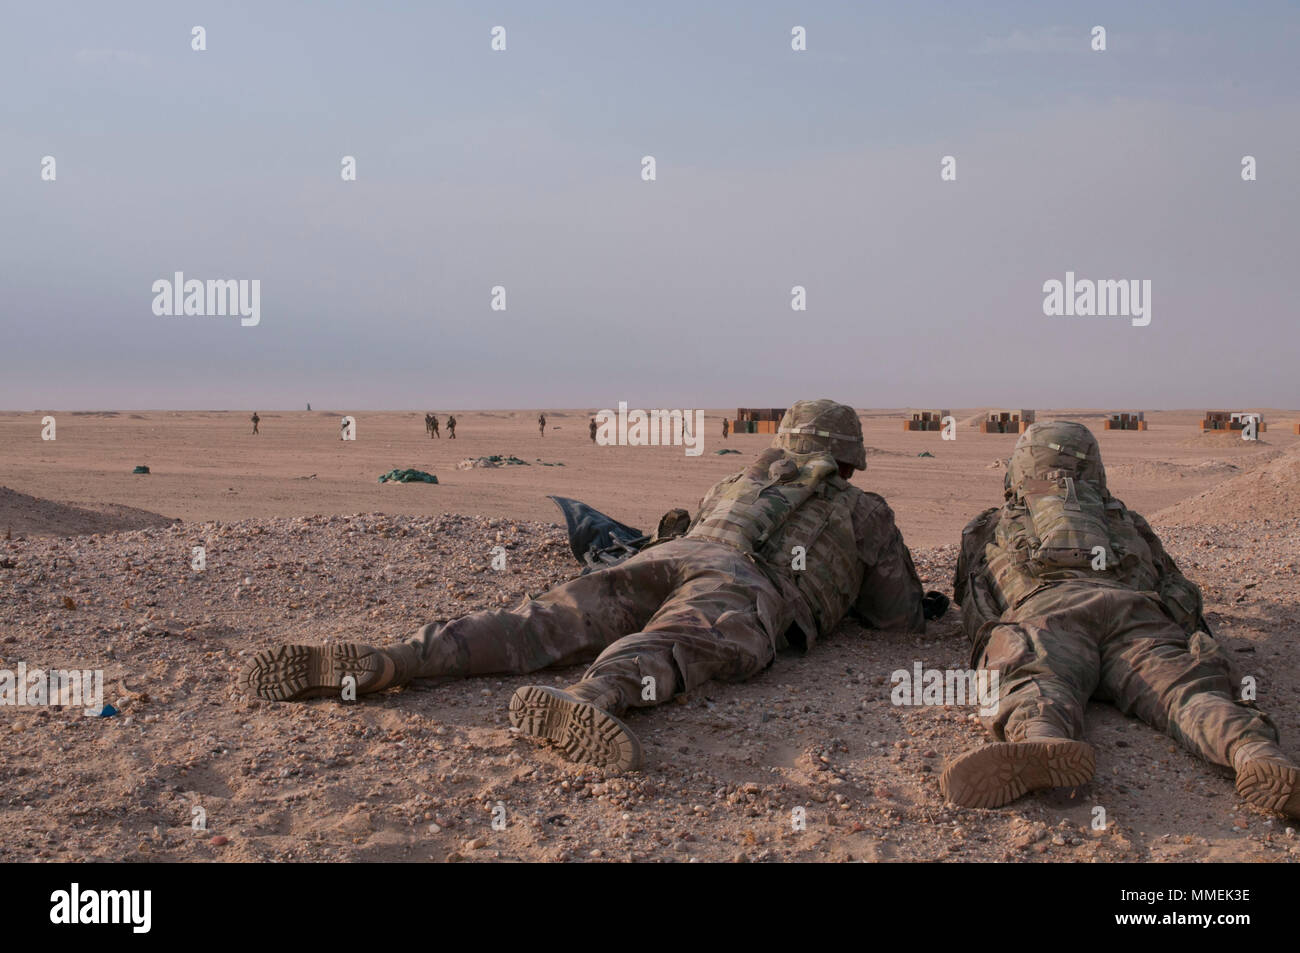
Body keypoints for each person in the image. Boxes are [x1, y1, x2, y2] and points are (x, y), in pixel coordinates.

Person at [241, 399, 940, 770]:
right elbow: (896, 612)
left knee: (539, 620)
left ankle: (397, 658)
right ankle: (595, 697)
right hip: (742, 581)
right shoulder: (862, 509)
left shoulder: (735, 479)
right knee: (681, 641)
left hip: (671, 550)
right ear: (848, 460)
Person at [942, 420, 1300, 818]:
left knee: (1036, 680)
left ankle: (1042, 737)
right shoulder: (1125, 520)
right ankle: (1252, 751)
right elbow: (1176, 587)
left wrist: (994, 638)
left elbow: (974, 597)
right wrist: (1184, 634)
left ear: (1019, 468)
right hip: (1136, 614)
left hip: (1049, 614)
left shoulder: (990, 524)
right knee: (1188, 692)